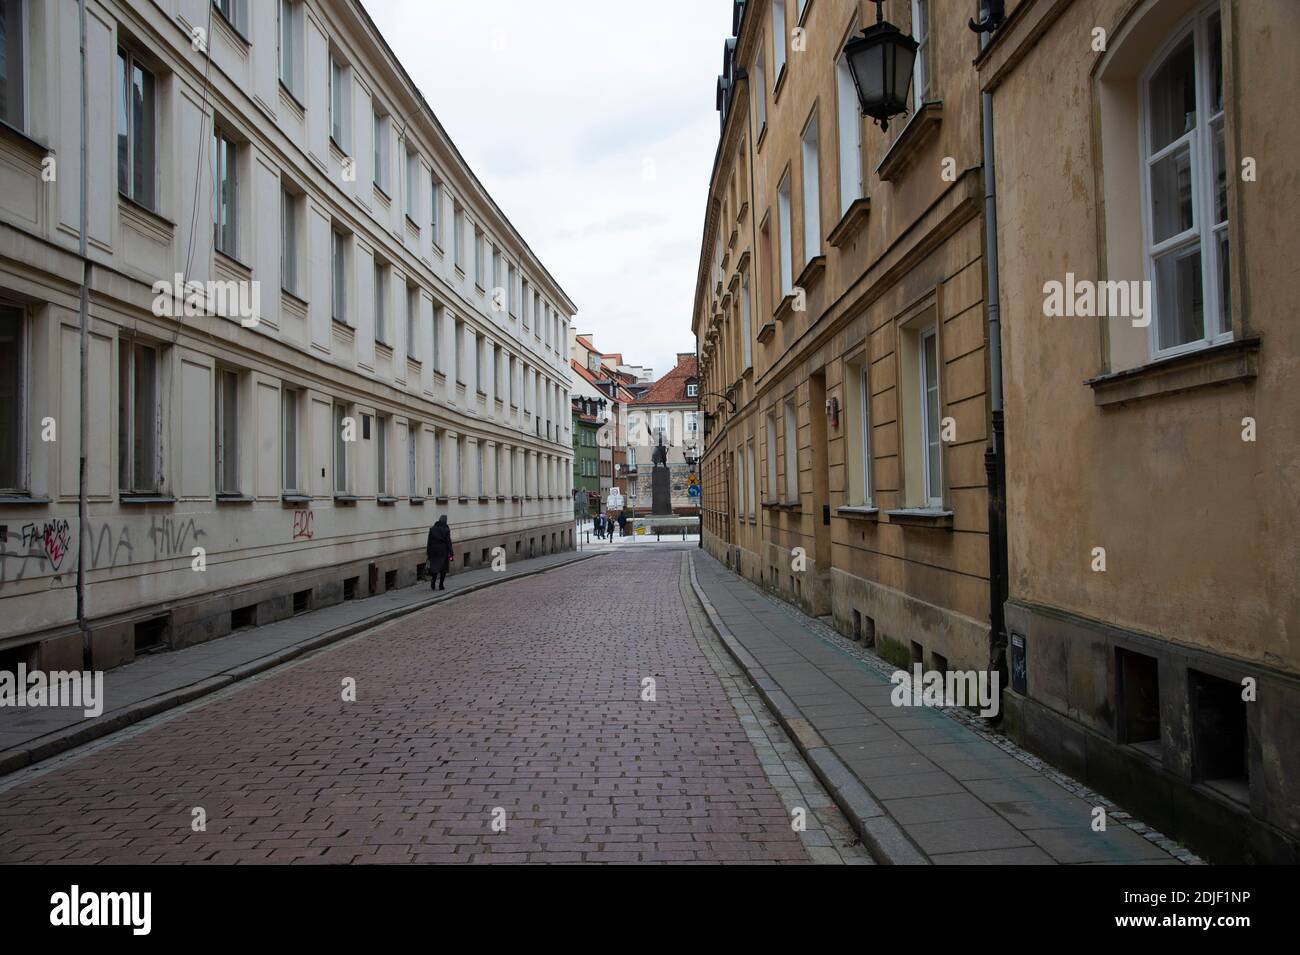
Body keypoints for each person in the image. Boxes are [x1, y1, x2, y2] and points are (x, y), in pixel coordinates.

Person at [426, 515, 453, 591]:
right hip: (443, 551)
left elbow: (429, 542)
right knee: (443, 569)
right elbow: (448, 542)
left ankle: (433, 582)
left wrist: (428, 552)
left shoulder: (432, 529)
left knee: (434, 567)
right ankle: (441, 585)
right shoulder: (446, 530)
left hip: (433, 550)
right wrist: (451, 553)